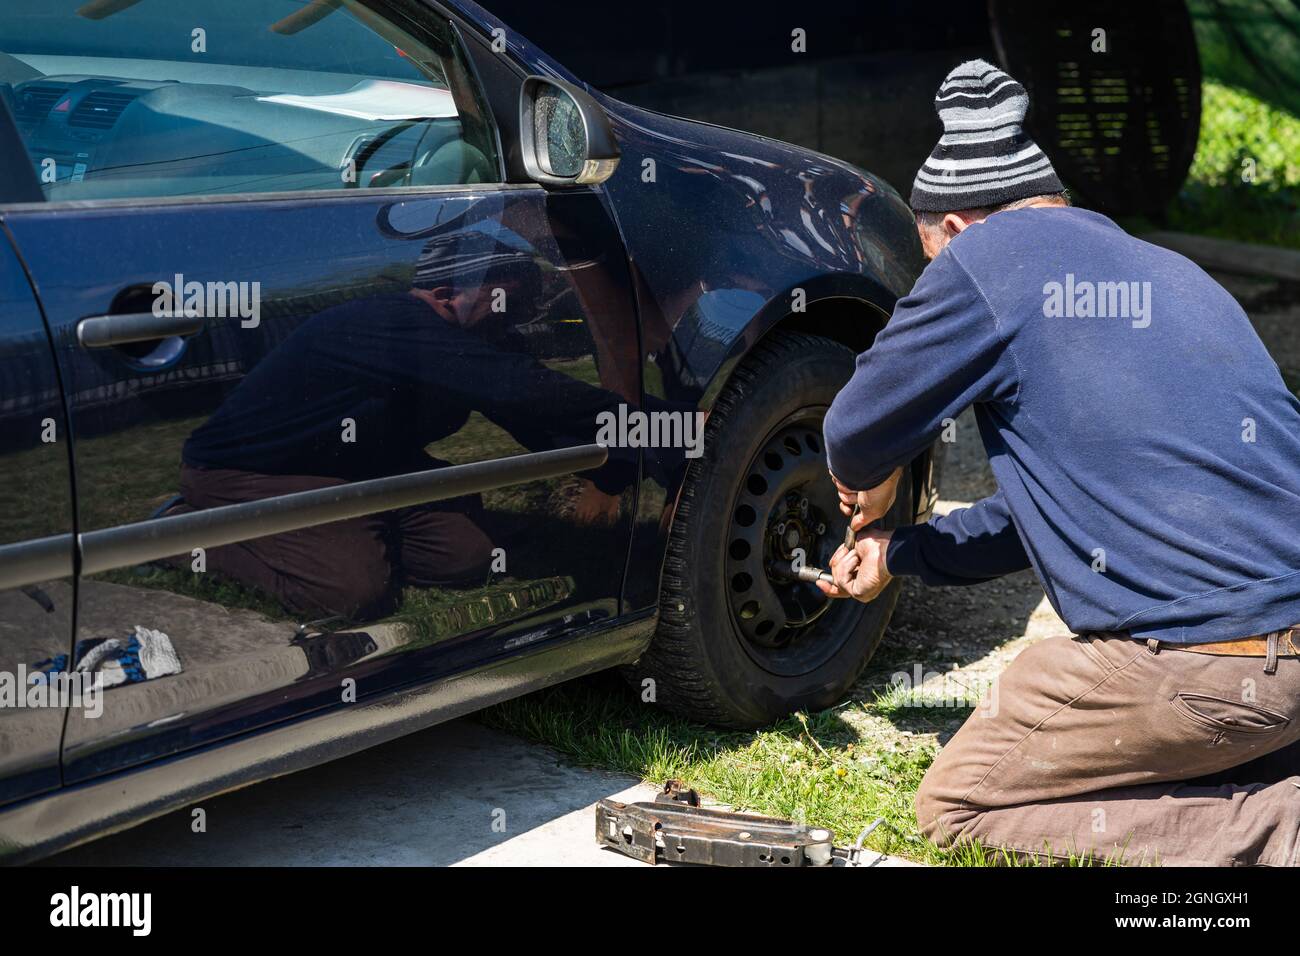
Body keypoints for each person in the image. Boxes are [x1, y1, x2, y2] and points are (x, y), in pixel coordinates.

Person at [818, 59, 1300, 865]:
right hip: (1280, 666)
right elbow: (1042, 522)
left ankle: (1276, 833)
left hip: (1210, 667)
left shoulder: (985, 259)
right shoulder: (1167, 272)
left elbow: (854, 431)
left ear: (958, 229)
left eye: (929, 258)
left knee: (957, 807)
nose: (937, 283)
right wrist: (900, 552)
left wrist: (881, 474)